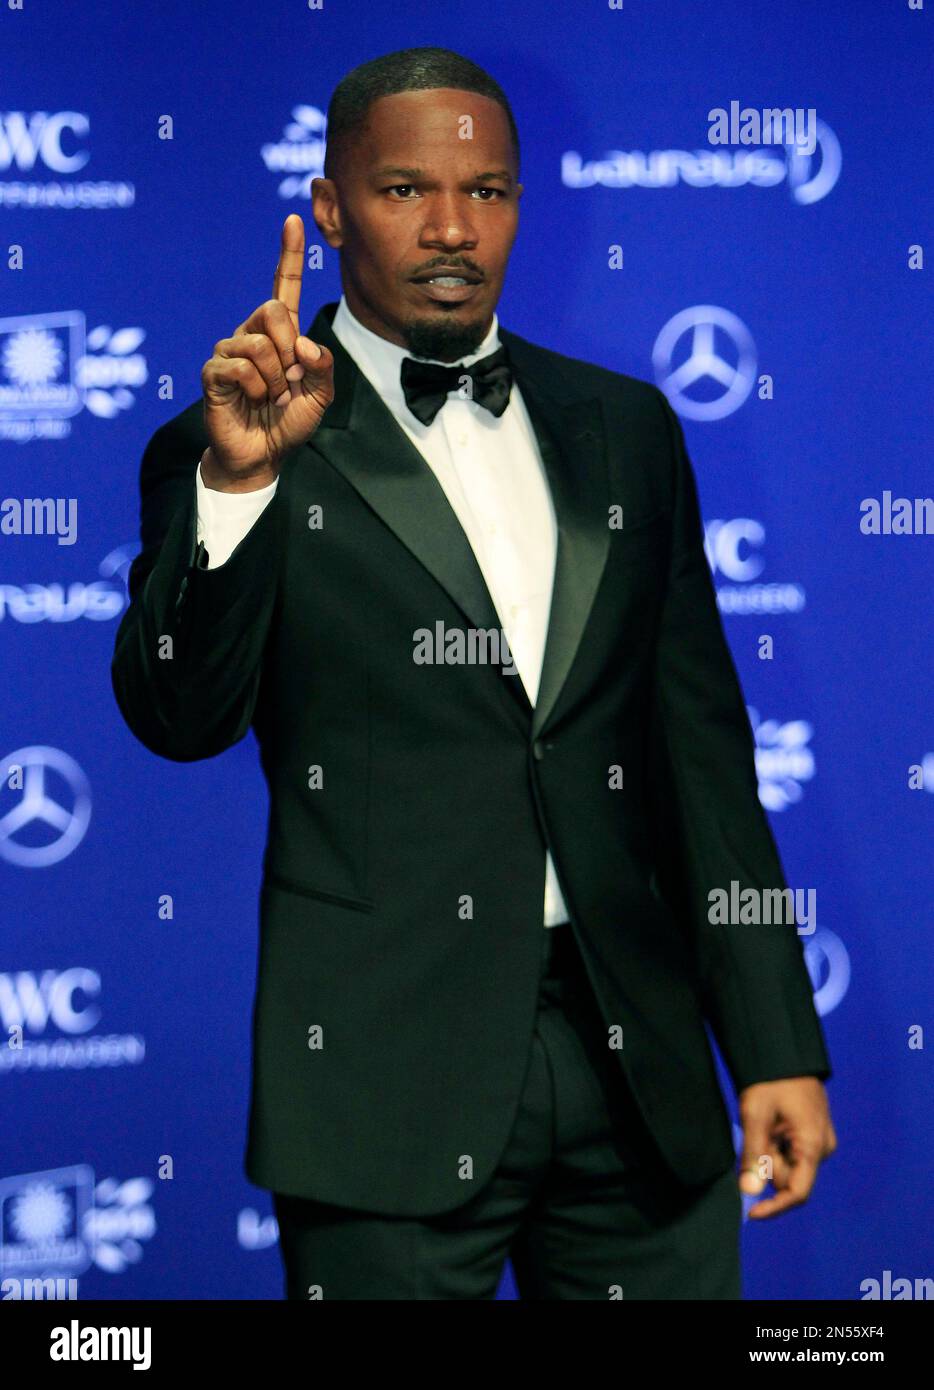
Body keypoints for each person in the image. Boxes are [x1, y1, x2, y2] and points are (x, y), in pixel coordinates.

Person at [111, 46, 836, 1300]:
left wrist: (774, 1041)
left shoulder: (627, 428)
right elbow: (179, 713)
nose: (452, 228)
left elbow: (704, 763)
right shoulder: (234, 436)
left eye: (487, 192)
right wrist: (242, 484)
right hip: (383, 1078)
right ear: (329, 208)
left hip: (637, 1074)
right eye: (403, 191)